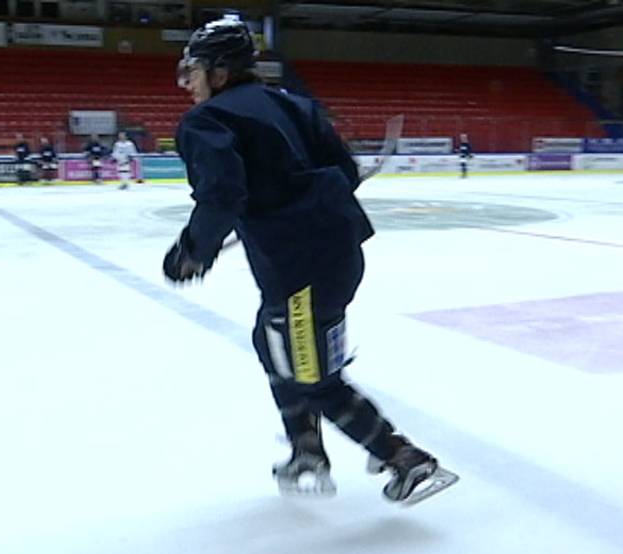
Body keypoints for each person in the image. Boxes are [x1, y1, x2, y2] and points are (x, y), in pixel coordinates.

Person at [162, 17, 450, 504]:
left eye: (192, 71)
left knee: (311, 375)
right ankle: (307, 450)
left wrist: (193, 252)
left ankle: (405, 459)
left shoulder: (207, 121)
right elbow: (346, 171)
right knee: (269, 340)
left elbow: (222, 195)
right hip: (337, 256)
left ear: (221, 72)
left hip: (299, 271)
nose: (186, 84)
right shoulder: (293, 104)